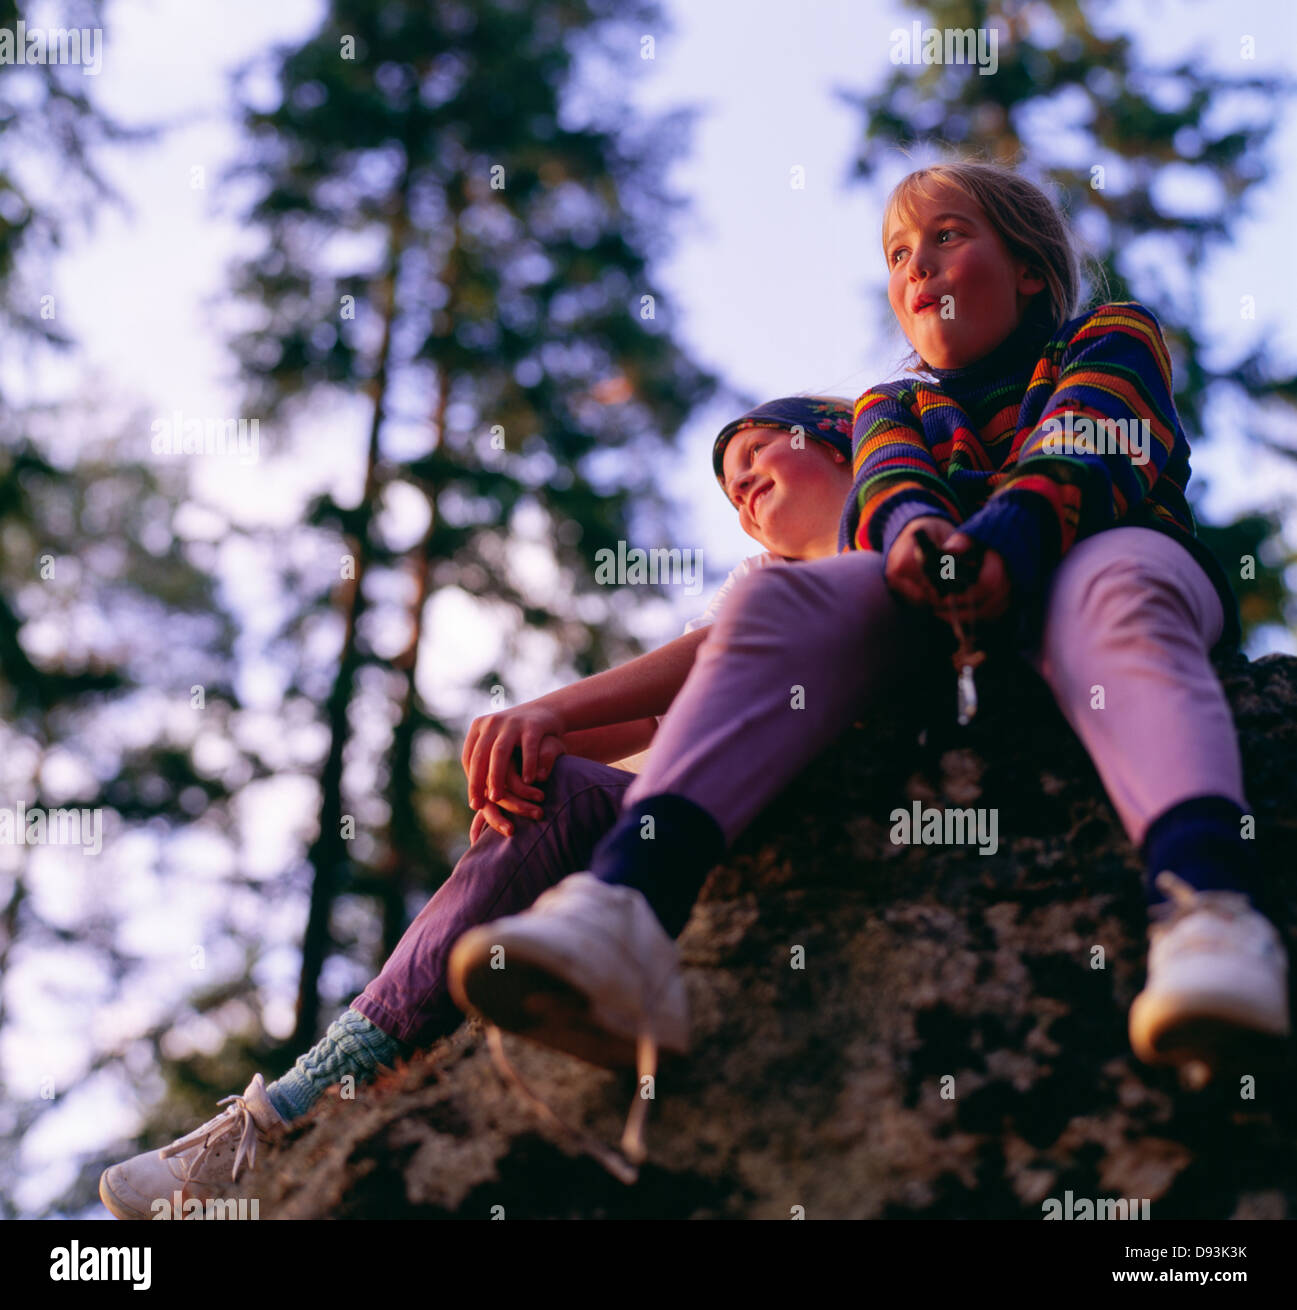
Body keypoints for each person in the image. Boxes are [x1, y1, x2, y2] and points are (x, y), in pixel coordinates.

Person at [448, 159, 1290, 1154]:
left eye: (946, 236)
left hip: (1096, 557)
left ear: (1026, 268)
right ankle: (626, 908)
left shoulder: (1106, 335)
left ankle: (1206, 911)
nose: (917, 264)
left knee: (1107, 586)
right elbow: (887, 498)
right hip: (947, 605)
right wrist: (926, 550)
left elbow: (1089, 448)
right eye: (897, 253)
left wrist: (1001, 544)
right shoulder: (889, 404)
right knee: (778, 591)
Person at [97, 394, 861, 1218]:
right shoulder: (759, 584)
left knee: (562, 787)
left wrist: (549, 715)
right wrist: (538, 751)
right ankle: (309, 1091)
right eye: (729, 487)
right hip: (693, 818)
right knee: (544, 797)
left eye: (760, 458)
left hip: (786, 810)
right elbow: (651, 716)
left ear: (846, 448)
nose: (742, 487)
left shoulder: (882, 541)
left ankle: (292, 1109)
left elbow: (706, 658)